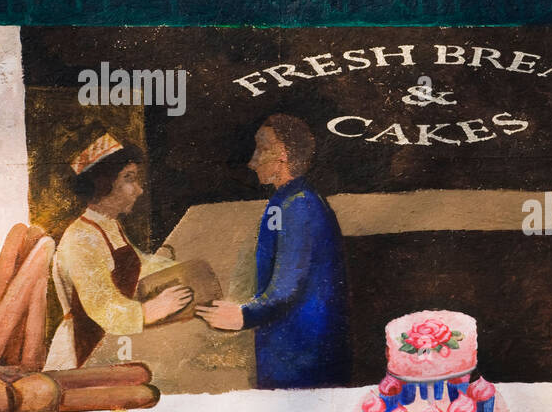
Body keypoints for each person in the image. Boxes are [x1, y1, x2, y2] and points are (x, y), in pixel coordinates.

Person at [196, 114, 351, 388]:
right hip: (285, 339)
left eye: (261, 149)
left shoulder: (299, 206)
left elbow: (287, 287)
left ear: (282, 154)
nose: (252, 161)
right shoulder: (284, 201)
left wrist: (243, 315)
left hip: (302, 347)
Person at [44, 133, 193, 370]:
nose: (139, 190)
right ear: (103, 184)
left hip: (113, 339)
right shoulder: (81, 239)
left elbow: (137, 265)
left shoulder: (108, 224)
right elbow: (102, 307)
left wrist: (170, 263)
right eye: (129, 179)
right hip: (84, 351)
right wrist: (153, 309)